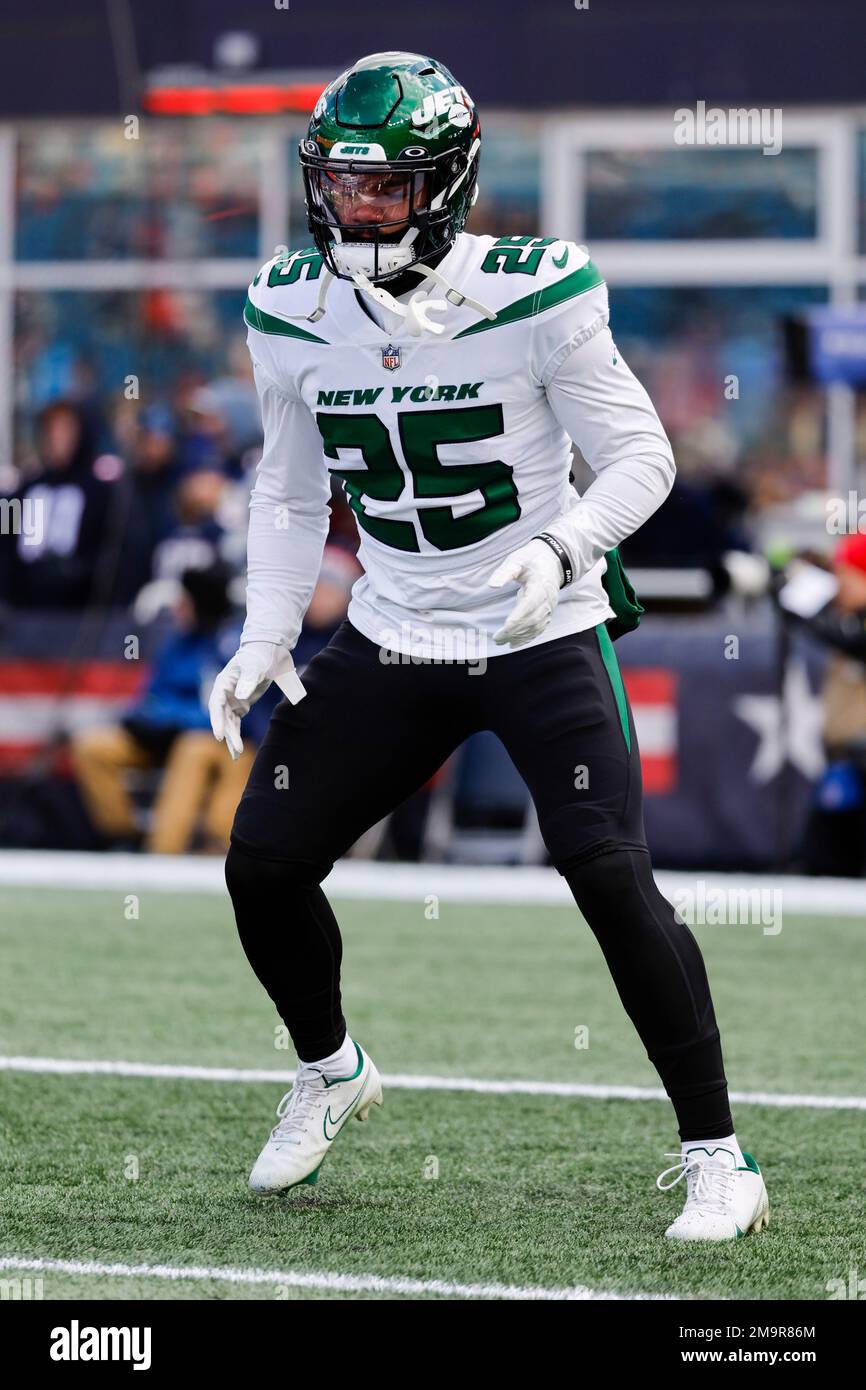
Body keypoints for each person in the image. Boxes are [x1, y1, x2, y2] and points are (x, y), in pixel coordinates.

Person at [209, 52, 768, 1240]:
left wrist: (561, 550)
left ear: (448, 185)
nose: (358, 210)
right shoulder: (286, 306)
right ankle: (329, 1068)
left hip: (533, 623)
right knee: (261, 860)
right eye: (342, 185)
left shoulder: (534, 292)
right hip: (394, 625)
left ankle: (720, 1155)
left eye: (386, 186)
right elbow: (290, 492)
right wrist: (266, 634)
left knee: (606, 872)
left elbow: (642, 459)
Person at [72, 563, 251, 853]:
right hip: (161, 737)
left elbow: (228, 711)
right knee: (93, 746)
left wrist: (174, 718)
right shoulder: (176, 642)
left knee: (191, 749)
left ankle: (163, 850)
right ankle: (124, 836)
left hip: (213, 740)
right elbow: (150, 697)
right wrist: (147, 719)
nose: (178, 609)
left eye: (185, 603)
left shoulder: (231, 645)